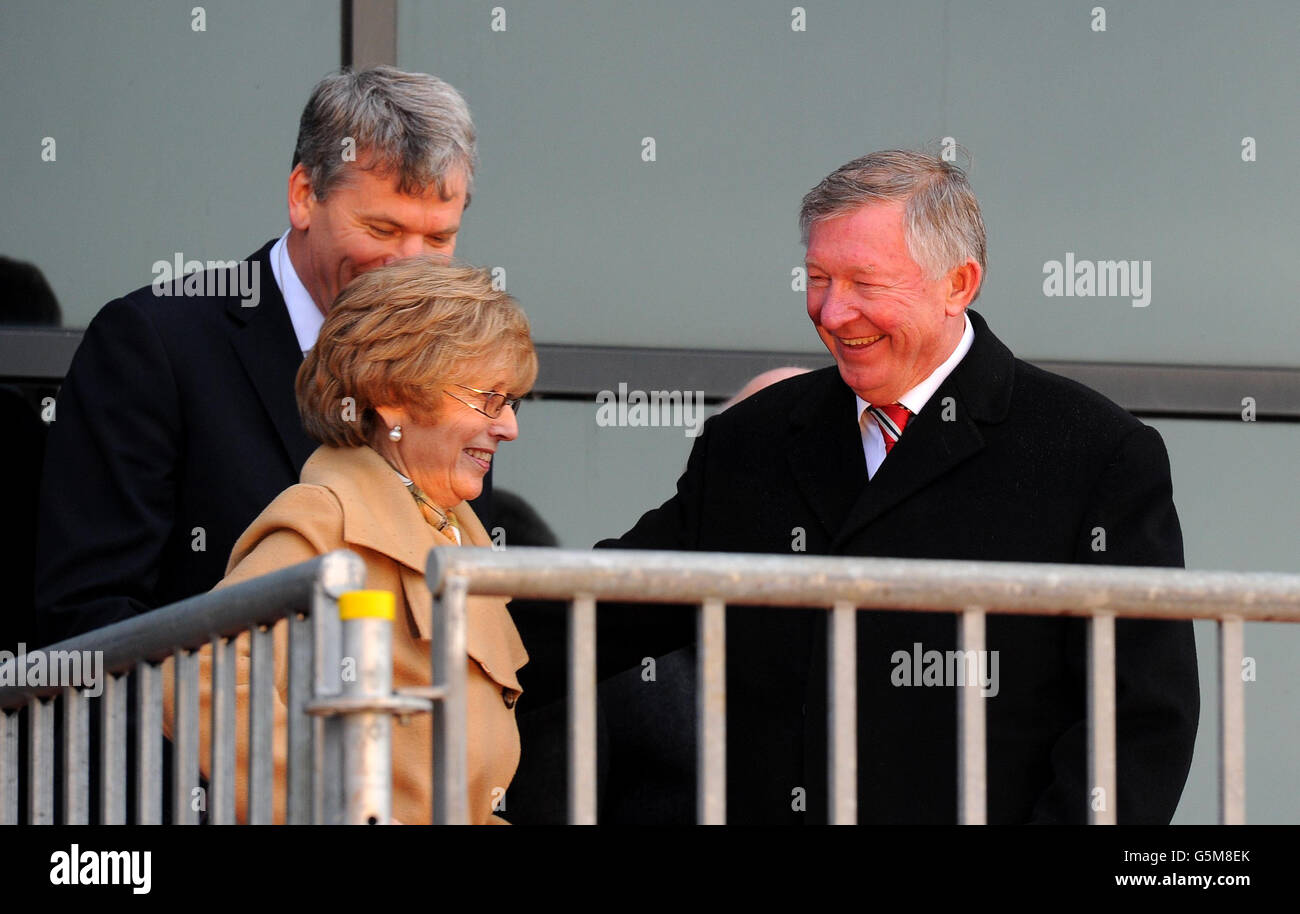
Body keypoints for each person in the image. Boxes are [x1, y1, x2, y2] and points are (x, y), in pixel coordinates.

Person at [581, 150, 1199, 824]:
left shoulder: (1095, 454)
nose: (833, 311)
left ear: (958, 284)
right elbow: (607, 611)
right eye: (817, 277)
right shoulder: (750, 442)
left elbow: (1137, 723)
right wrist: (458, 623)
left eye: (865, 283)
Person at [35, 66, 487, 647]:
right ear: (304, 196)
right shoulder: (154, 343)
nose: (410, 266)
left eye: (437, 240)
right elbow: (89, 620)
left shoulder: (453, 373)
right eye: (381, 229)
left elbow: (480, 630)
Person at [163, 257, 536, 824]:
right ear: (395, 394)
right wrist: (344, 809)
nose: (509, 427)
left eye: (512, 402)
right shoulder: (330, 520)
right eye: (488, 399)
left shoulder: (457, 539)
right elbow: (196, 676)